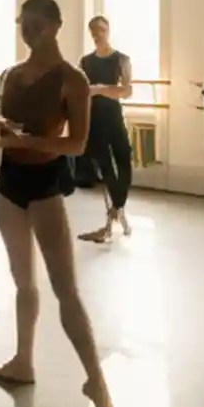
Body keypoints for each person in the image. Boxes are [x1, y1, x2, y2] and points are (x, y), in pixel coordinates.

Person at [0, 0, 116, 407]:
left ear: (56, 25)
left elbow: (76, 144)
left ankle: (97, 381)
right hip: (8, 187)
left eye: (38, 23)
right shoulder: (11, 74)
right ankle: (23, 360)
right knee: (24, 283)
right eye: (25, 23)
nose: (30, 30)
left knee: (66, 290)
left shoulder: (71, 79)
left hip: (44, 188)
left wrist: (29, 142)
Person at [76, 15, 134, 243]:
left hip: (113, 116)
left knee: (124, 158)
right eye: (93, 30)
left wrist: (99, 89)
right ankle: (115, 214)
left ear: (108, 30)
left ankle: (117, 207)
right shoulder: (85, 61)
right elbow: (82, 91)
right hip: (95, 118)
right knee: (104, 165)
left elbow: (126, 91)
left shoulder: (121, 59)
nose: (97, 33)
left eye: (101, 29)